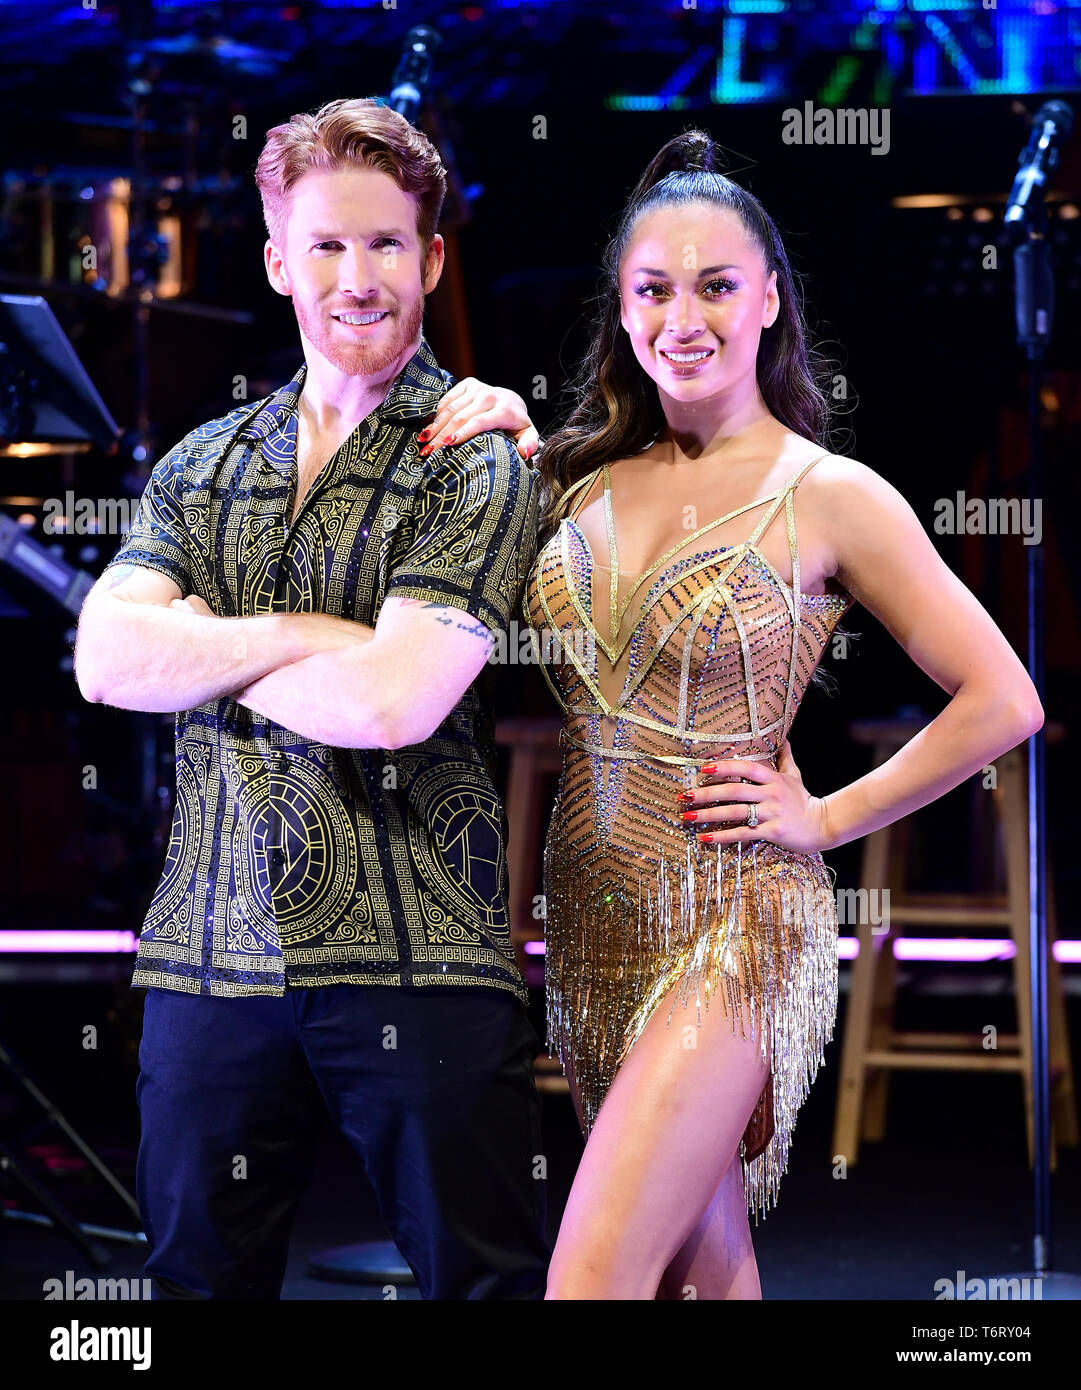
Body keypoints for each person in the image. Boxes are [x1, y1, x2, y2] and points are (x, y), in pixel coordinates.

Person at [421, 129, 1044, 1300]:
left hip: (739, 917)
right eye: (653, 289)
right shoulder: (578, 477)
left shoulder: (831, 493)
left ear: (767, 301)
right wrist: (502, 419)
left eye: (715, 286)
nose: (682, 316)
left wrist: (826, 816)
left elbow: (1003, 696)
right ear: (620, 304)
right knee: (699, 1272)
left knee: (590, 1278)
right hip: (597, 918)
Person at [73, 97, 550, 1300]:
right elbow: (106, 662)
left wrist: (206, 642)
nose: (357, 276)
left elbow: (393, 701)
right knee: (192, 1288)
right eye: (327, 245)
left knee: (479, 1285)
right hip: (206, 957)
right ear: (281, 259)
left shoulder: (477, 453)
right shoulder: (204, 460)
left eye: (387, 244)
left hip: (419, 949)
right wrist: (299, 634)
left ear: (431, 259)